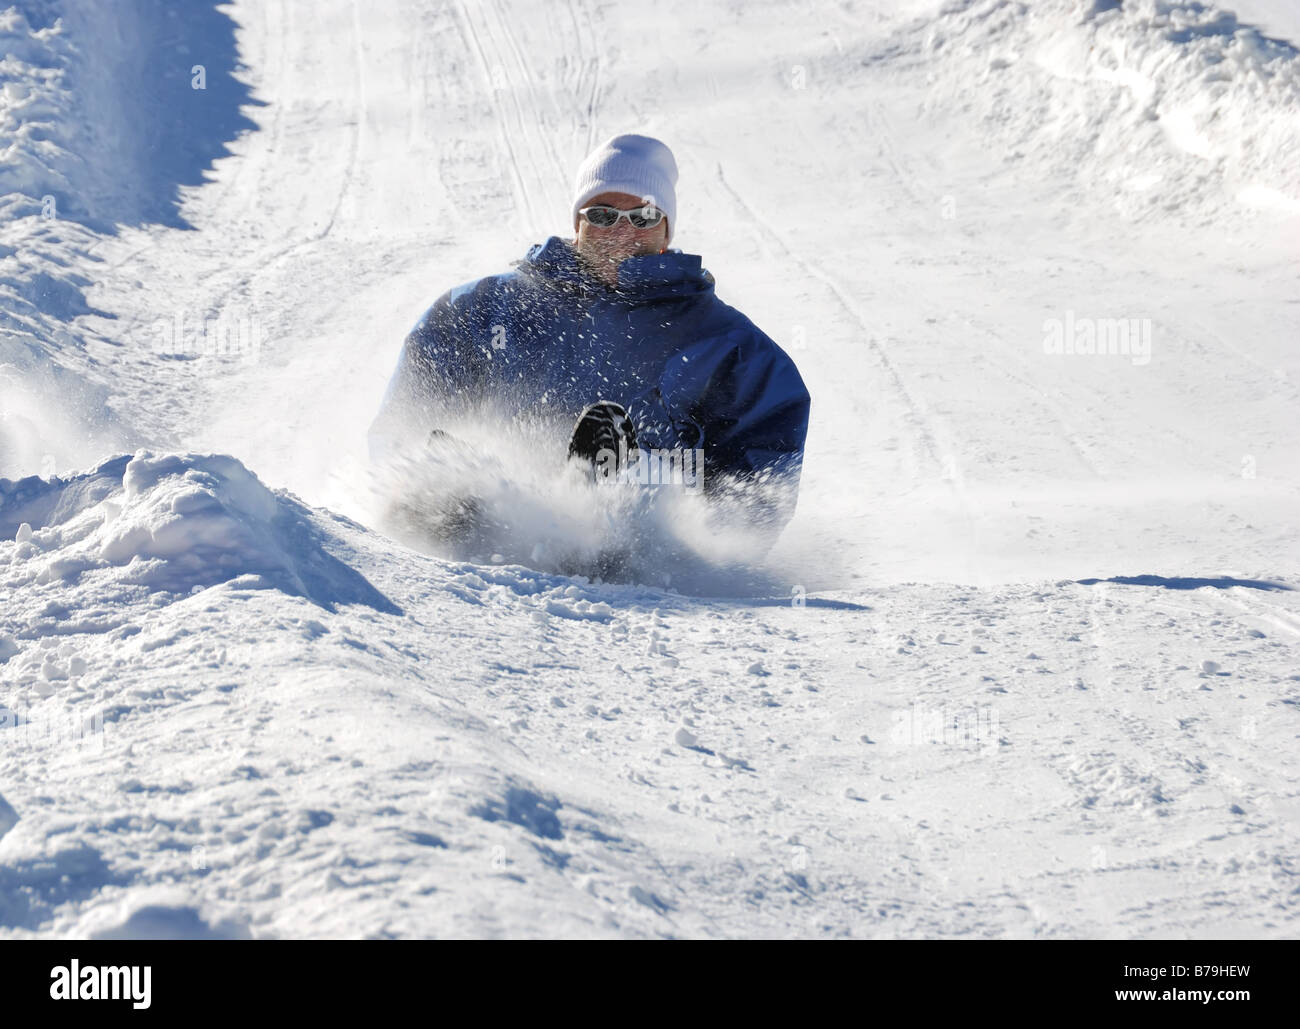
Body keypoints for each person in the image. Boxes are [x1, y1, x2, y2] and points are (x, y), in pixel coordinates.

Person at [368, 132, 811, 543]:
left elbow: (757, 491)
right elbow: (405, 424)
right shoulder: (483, 309)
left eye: (643, 216)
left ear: (665, 231)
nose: (621, 232)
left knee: (629, 456)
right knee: (450, 463)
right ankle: (475, 510)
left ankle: (615, 506)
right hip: (489, 532)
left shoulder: (729, 346)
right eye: (602, 215)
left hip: (642, 543)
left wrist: (678, 507)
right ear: (576, 223)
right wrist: (429, 478)